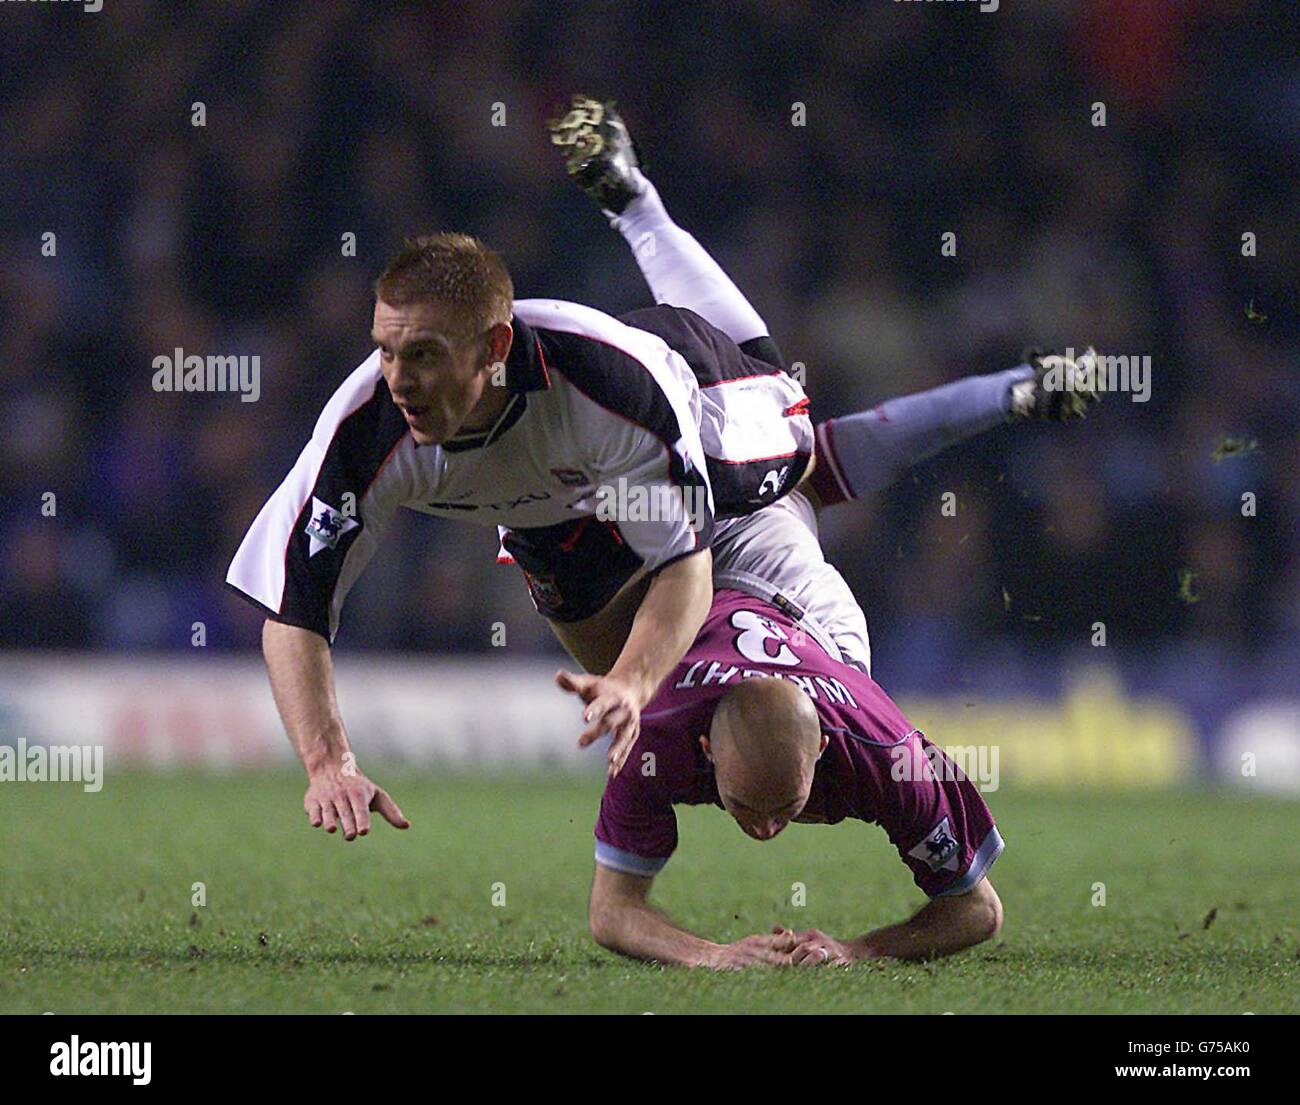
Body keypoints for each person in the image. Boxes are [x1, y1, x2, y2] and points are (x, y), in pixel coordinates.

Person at [588, 587, 1004, 968]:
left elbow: (978, 910)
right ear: (706, 750)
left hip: (805, 605)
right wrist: (713, 955)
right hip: (707, 582)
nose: (766, 830)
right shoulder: (652, 740)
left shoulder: (888, 757)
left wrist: (858, 950)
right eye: (744, 805)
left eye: (787, 806)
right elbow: (610, 911)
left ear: (823, 749)